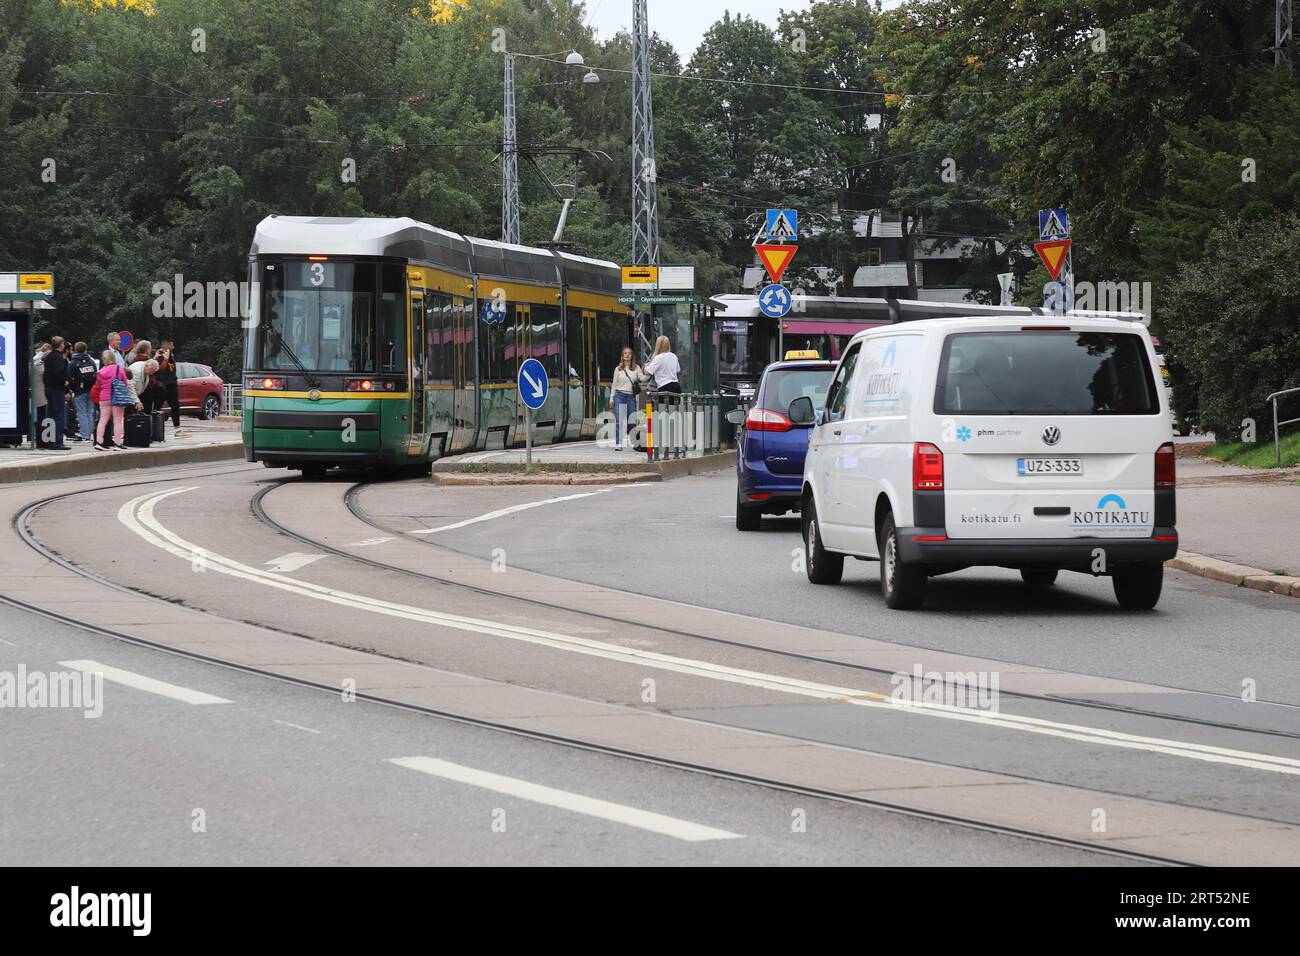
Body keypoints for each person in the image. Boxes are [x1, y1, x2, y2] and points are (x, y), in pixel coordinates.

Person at [94, 351, 141, 450]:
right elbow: (124, 382)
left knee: (103, 419)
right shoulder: (118, 369)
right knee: (118, 420)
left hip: (103, 397)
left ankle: (99, 442)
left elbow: (98, 384)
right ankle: (118, 443)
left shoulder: (101, 371)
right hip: (117, 396)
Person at [609, 347, 644, 451]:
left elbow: (642, 378)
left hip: (631, 397)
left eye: (629, 353)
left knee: (632, 421)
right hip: (619, 395)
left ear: (632, 356)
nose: (627, 355)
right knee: (619, 420)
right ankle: (618, 444)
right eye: (625, 353)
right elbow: (614, 385)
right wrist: (611, 399)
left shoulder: (637, 368)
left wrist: (649, 372)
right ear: (622, 356)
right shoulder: (618, 369)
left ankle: (635, 443)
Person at [40, 337, 72, 450]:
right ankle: (58, 442)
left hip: (48, 388)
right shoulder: (59, 358)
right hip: (57, 389)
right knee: (59, 416)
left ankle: (49, 441)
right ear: (61, 345)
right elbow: (59, 373)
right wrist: (65, 382)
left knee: (50, 415)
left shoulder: (48, 356)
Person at [68, 342, 99, 443]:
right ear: (86, 349)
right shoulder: (91, 361)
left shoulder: (73, 362)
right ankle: (90, 434)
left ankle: (85, 435)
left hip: (79, 390)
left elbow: (69, 377)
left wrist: (73, 389)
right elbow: (95, 375)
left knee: (82, 413)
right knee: (90, 412)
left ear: (76, 350)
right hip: (91, 390)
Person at [154, 341, 182, 432]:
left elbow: (172, 370)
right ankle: (154, 428)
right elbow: (159, 370)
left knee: (175, 406)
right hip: (162, 385)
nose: (173, 347)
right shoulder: (160, 356)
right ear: (166, 345)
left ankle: (177, 426)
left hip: (172, 384)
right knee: (157, 407)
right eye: (171, 345)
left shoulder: (171, 356)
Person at [31, 343, 51, 446]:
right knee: (42, 417)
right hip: (42, 394)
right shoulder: (40, 367)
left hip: (39, 393)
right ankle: (42, 440)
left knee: (41, 417)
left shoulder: (35, 364)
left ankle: (41, 440)